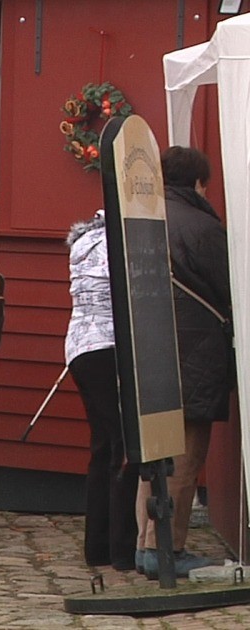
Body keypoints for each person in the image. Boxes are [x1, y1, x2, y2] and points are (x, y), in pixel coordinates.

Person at [136, 147, 230, 578]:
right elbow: (230, 290)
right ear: (197, 182)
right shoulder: (203, 226)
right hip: (192, 353)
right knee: (185, 458)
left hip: (148, 349)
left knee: (152, 453)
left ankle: (144, 545)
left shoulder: (140, 217)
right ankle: (165, 548)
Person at [65, 209, 137, 572]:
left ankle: (97, 546)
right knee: (123, 447)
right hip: (109, 344)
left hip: (79, 346)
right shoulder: (121, 244)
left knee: (103, 444)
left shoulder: (83, 242)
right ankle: (121, 548)